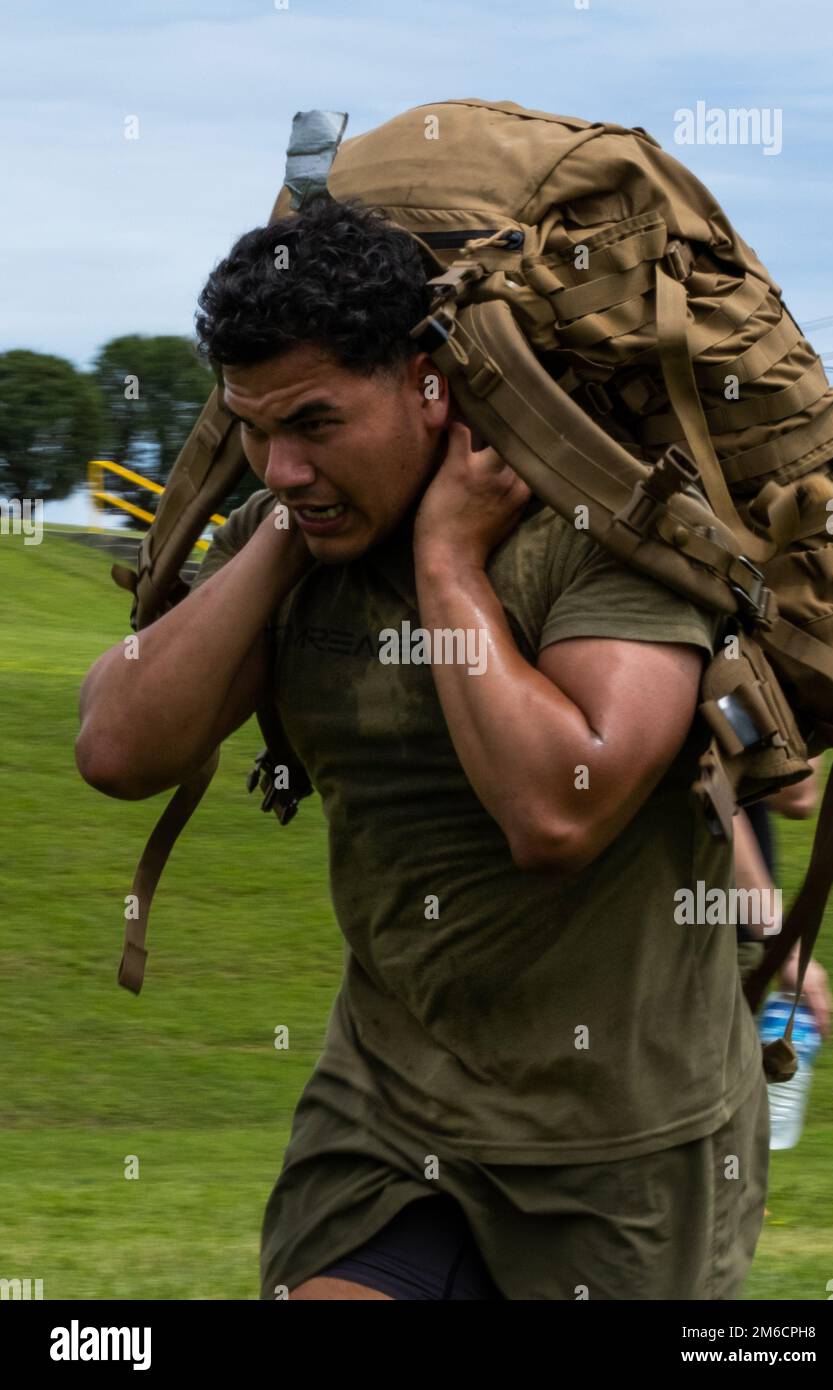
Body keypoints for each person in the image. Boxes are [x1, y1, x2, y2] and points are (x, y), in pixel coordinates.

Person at [75, 196, 769, 1301]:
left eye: (315, 423)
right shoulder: (291, 534)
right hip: (387, 1111)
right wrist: (283, 535)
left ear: (427, 382)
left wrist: (447, 563)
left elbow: (559, 808)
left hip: (617, 1142)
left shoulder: (597, 531)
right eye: (254, 428)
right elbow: (115, 748)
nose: (283, 463)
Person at [734, 760, 833, 1040]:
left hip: (724, 919)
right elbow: (798, 792)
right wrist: (785, 949)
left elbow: (799, 795)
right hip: (700, 931)